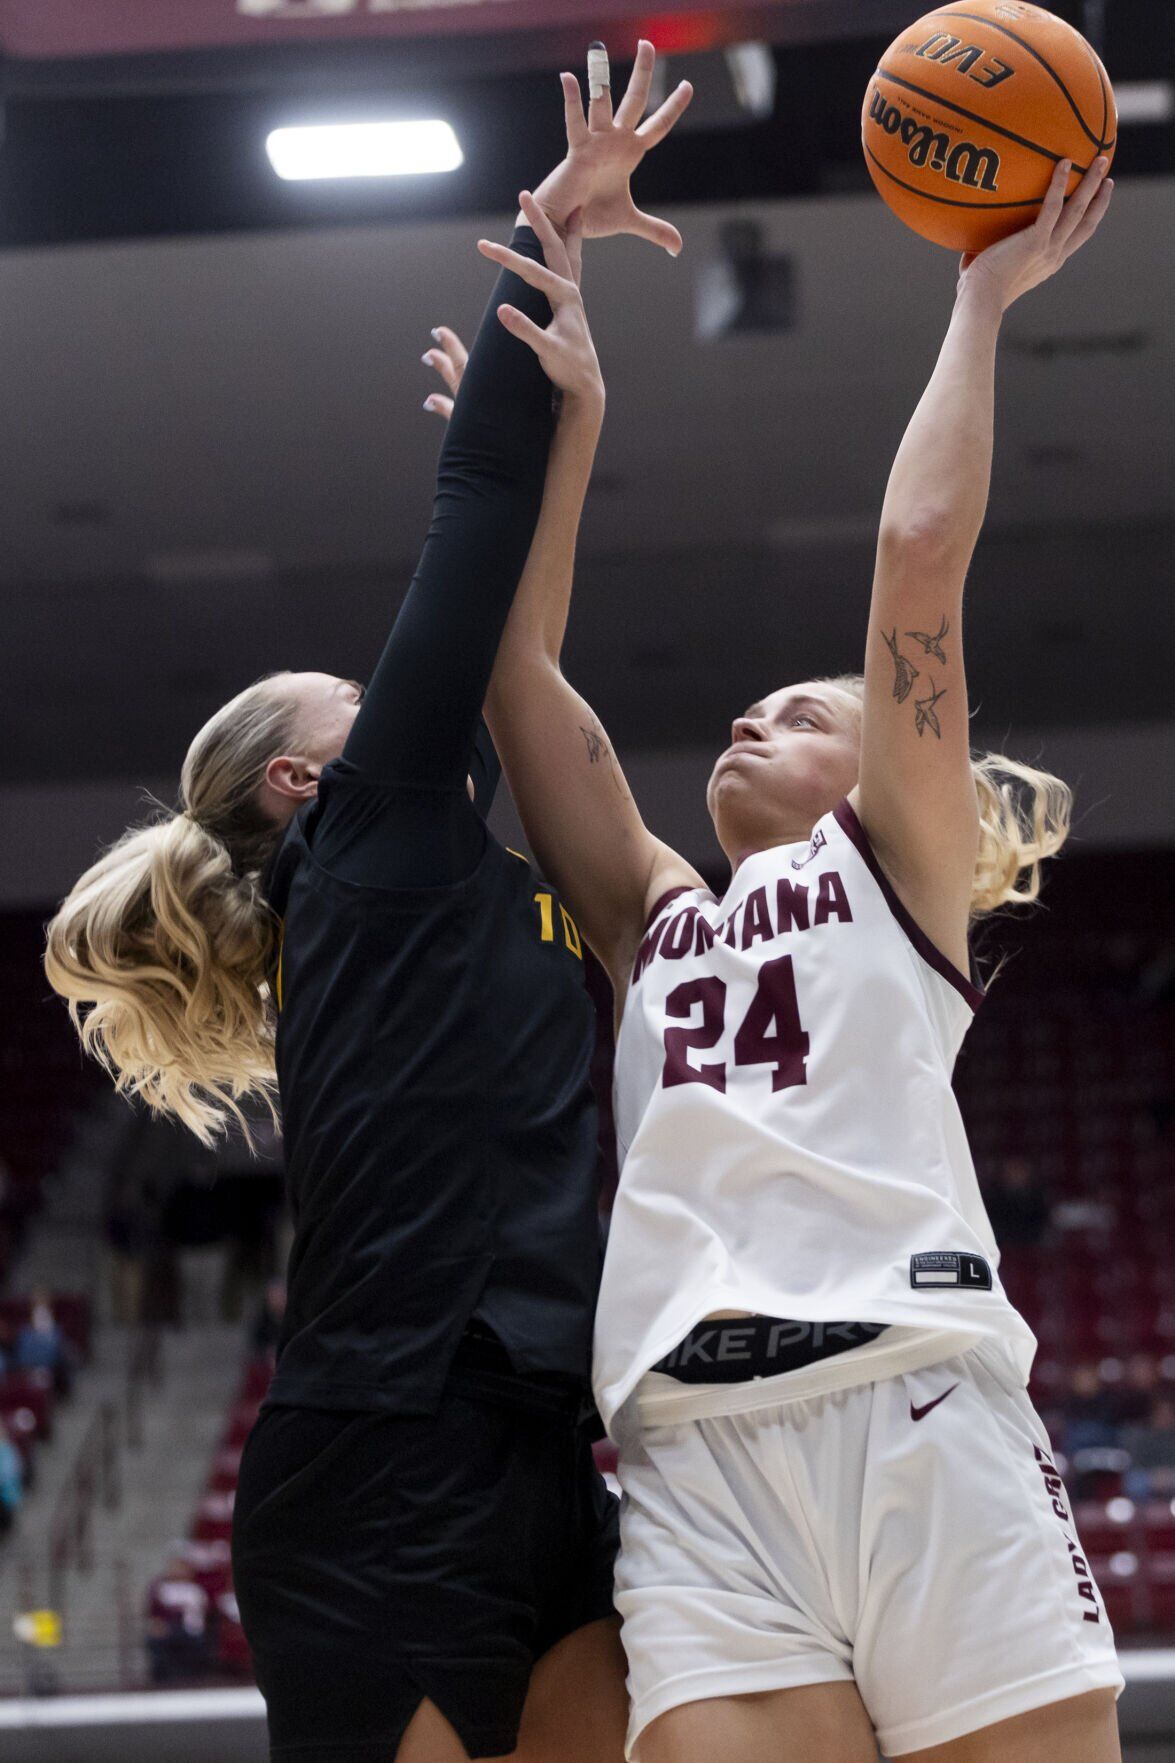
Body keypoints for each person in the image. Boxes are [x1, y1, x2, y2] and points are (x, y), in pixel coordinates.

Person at [45, 43, 691, 1763]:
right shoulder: (369, 849)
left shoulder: (446, 874)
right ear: (300, 780)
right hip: (385, 1459)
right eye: (354, 698)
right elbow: (471, 530)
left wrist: (573, 419)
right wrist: (552, 223)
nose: (385, 697)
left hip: (540, 1443)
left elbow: (521, 646)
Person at [483, 157, 1123, 1761]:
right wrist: (567, 411)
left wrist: (981, 297)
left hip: (919, 1400)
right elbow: (516, 676)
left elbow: (918, 547)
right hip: (698, 1453)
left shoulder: (894, 871)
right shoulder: (652, 913)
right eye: (752, 707)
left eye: (802, 712)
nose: (750, 718)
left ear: (879, 764)